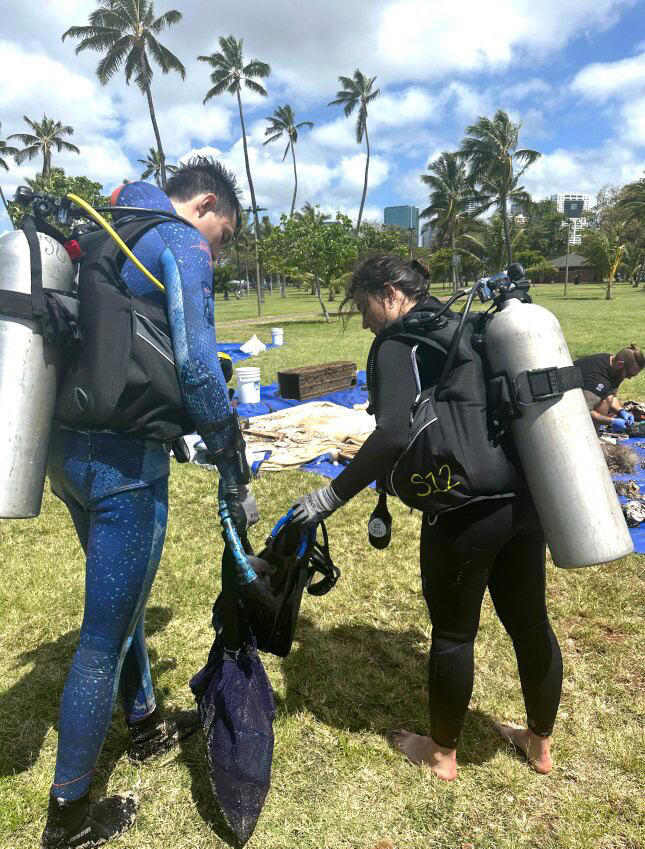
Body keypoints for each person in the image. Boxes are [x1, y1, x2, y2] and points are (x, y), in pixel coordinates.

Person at [42, 157, 256, 848]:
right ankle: (68, 815)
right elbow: (196, 363)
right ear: (203, 206)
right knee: (102, 635)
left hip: (65, 453)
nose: (214, 251)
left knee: (123, 599)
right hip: (123, 464)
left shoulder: (104, 227)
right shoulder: (179, 238)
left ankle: (143, 722)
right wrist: (228, 451)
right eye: (222, 236)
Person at [290, 255, 563, 782]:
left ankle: (441, 754)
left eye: (365, 306)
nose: (365, 320)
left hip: (464, 509)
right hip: (526, 497)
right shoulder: (471, 327)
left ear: (391, 293)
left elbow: (392, 433)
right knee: (530, 621)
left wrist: (331, 497)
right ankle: (538, 741)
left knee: (455, 633)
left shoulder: (401, 342)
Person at [574, 345, 644, 433]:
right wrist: (611, 422)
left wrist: (621, 411)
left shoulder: (614, 366)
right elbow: (583, 411)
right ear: (620, 364)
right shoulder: (596, 378)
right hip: (567, 410)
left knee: (609, 397)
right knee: (606, 400)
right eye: (629, 374)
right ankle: (590, 436)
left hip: (583, 403)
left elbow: (611, 395)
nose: (629, 378)